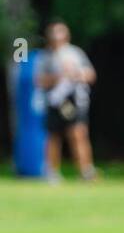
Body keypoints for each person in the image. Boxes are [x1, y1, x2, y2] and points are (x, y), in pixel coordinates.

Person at [35, 20, 97, 182]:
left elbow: (90, 75)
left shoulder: (75, 53)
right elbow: (40, 80)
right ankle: (51, 172)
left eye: (60, 32)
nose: (57, 36)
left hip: (74, 100)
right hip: (55, 101)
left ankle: (86, 171)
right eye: (53, 33)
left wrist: (76, 74)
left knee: (78, 134)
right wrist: (59, 76)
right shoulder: (45, 57)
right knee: (53, 136)